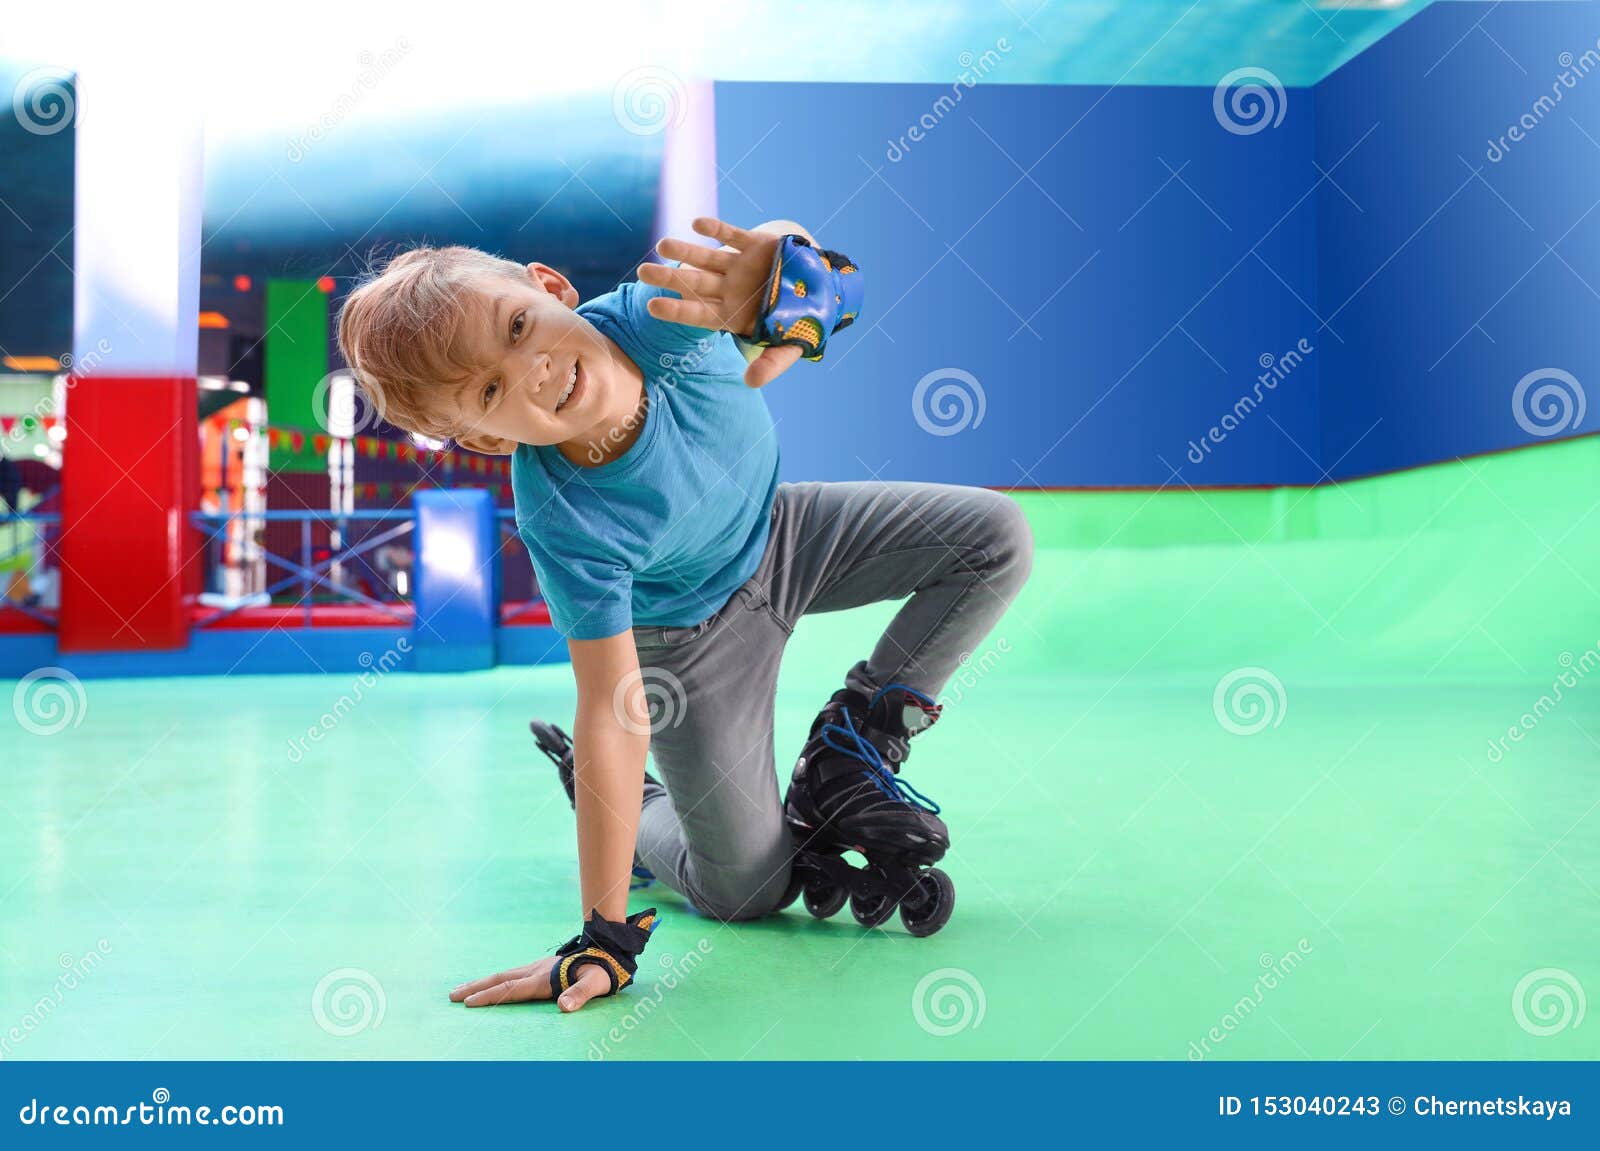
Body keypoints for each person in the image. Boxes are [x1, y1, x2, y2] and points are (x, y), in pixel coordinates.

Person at [336, 217, 1032, 1013]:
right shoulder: (564, 516)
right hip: (691, 639)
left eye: (519, 326)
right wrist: (603, 936)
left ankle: (854, 745)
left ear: (550, 287)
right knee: (747, 889)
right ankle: (643, 814)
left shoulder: (654, 320)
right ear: (487, 439)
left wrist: (787, 273)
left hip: (786, 532)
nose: (530, 371)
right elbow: (610, 705)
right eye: (492, 391)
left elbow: (771, 255)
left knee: (994, 537)